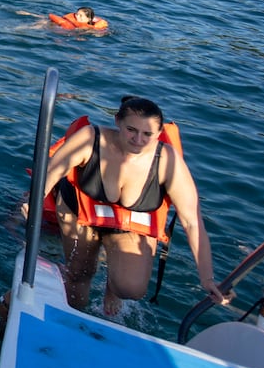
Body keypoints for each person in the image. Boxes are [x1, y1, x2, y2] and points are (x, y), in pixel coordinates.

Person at [39, 96, 228, 315]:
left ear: (159, 134)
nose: (138, 139)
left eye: (147, 134)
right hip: (82, 210)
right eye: (131, 130)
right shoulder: (91, 139)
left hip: (129, 220)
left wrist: (207, 279)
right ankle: (74, 315)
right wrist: (33, 203)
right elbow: (50, 174)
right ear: (117, 121)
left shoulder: (168, 161)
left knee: (132, 288)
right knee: (79, 276)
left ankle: (113, 279)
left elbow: (192, 222)